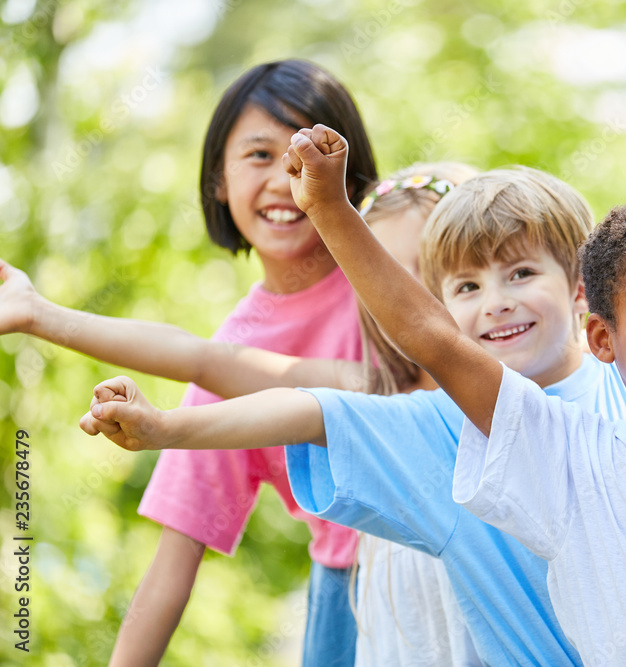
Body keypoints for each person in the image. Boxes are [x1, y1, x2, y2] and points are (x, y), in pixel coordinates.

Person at [79, 110, 626, 665]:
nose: (495, 304)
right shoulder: (446, 424)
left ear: (585, 296)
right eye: (467, 287)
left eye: (520, 275)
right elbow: (306, 405)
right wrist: (167, 430)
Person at [5, 59, 379, 666]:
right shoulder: (225, 358)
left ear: (349, 172)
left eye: (306, 154)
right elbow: (172, 565)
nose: (286, 179)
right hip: (349, 594)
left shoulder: (396, 276)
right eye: (259, 154)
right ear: (217, 182)